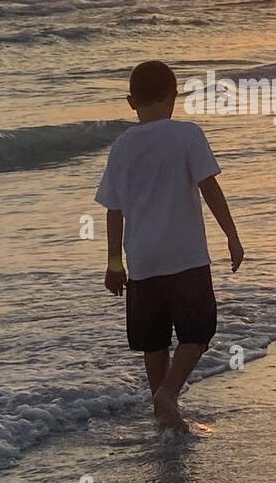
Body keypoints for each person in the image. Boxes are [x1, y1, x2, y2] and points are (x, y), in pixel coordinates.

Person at [95, 60, 244, 431]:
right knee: (198, 333)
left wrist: (114, 263)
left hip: (142, 259)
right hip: (185, 254)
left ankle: (162, 410)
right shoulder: (188, 135)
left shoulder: (121, 146)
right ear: (174, 97)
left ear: (131, 102)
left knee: (154, 340)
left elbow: (114, 210)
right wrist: (232, 235)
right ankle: (169, 395)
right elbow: (210, 187)